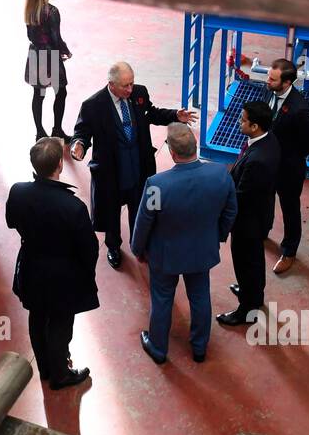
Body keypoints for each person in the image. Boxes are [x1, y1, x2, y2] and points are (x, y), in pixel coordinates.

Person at [70, 62, 195, 269]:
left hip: (139, 165)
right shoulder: (93, 105)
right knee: (111, 210)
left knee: (140, 207)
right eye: (125, 85)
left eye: (132, 83)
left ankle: (139, 244)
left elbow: (151, 113)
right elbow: (81, 132)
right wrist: (79, 145)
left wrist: (175, 116)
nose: (130, 89)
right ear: (111, 84)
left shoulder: (139, 93)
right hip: (112, 171)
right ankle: (113, 246)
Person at [131, 124, 237, 364]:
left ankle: (158, 348)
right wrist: (216, 236)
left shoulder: (157, 186)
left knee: (162, 299)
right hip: (202, 251)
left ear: (172, 152)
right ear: (195, 146)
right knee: (200, 297)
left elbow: (145, 222)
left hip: (165, 255)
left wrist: (139, 249)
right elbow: (230, 212)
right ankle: (200, 348)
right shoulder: (220, 174)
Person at [6, 137, 99, 390]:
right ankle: (61, 375)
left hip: (30, 267)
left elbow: (11, 222)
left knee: (36, 317)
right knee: (60, 322)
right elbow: (89, 249)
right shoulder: (73, 206)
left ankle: (45, 368)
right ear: (60, 164)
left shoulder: (18, 191)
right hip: (62, 274)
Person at [217, 101, 280, 326]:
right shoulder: (267, 141)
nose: (239, 122)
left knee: (245, 262)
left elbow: (242, 195)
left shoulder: (258, 160)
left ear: (254, 126)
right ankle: (253, 293)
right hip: (259, 215)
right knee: (254, 259)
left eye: (243, 120)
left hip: (248, 221)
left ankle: (246, 308)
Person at [264, 58, 309, 274]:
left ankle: (288, 251)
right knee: (264, 197)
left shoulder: (299, 111)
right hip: (267, 162)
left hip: (288, 168)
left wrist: (287, 157)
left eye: (272, 79)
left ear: (286, 83)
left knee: (290, 209)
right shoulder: (270, 91)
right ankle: (263, 229)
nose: (267, 81)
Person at [24, 0, 73, 141]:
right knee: (61, 92)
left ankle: (39, 131)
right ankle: (57, 129)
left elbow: (30, 36)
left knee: (38, 95)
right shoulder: (51, 11)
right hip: (50, 55)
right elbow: (55, 37)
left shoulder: (30, 10)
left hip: (35, 53)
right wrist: (65, 51)